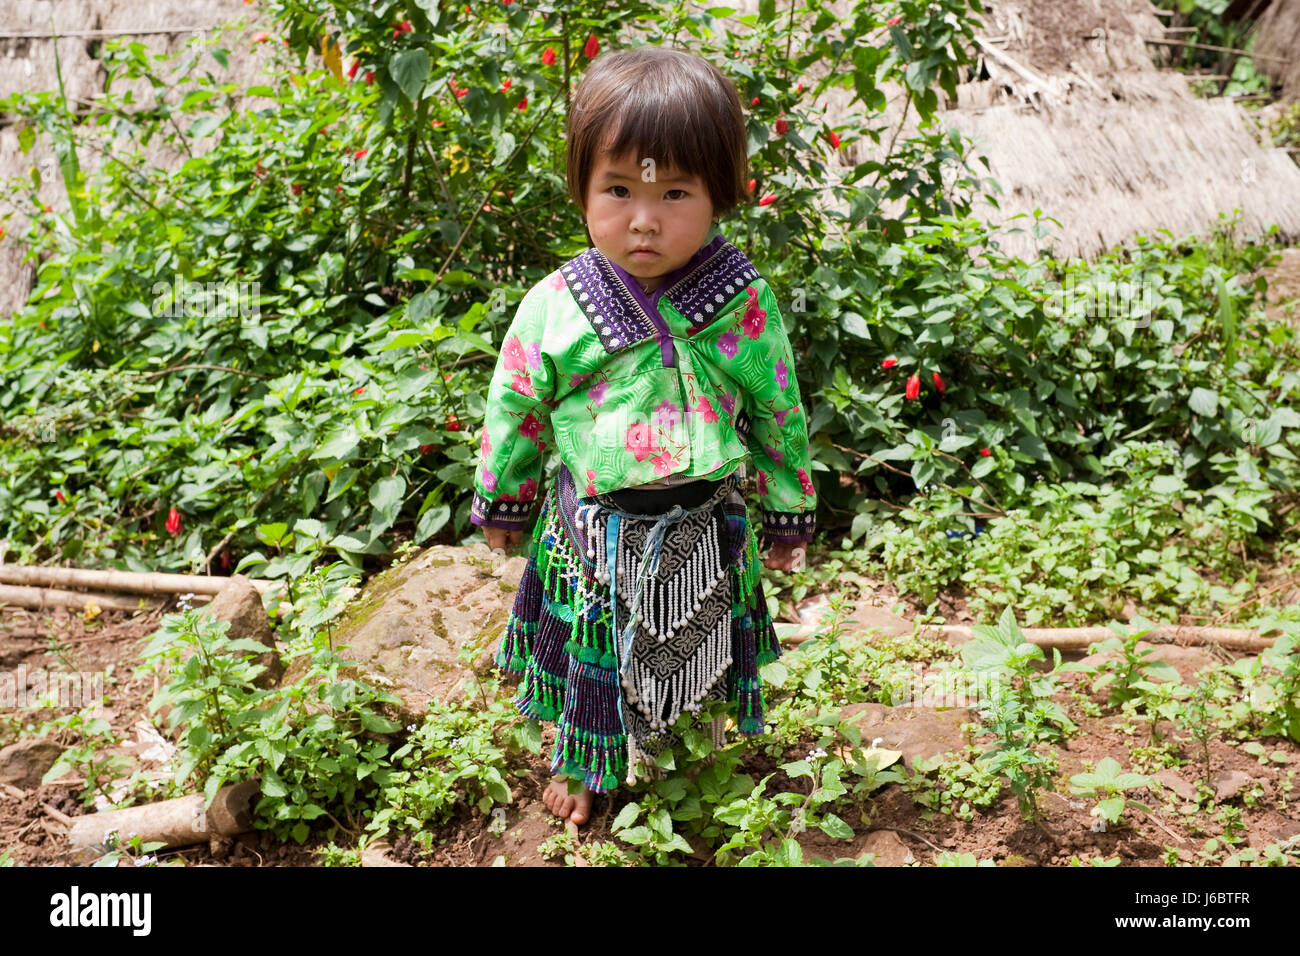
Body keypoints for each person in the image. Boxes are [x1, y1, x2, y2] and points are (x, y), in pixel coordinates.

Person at [470, 45, 817, 826]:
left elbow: (778, 413)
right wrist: (507, 499)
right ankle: (584, 760)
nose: (645, 220)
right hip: (596, 525)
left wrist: (789, 508)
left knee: (694, 639)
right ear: (582, 191)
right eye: (618, 190)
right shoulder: (560, 303)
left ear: (720, 196)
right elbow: (515, 404)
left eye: (677, 193)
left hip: (702, 521)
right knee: (590, 655)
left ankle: (683, 736)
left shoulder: (741, 301)